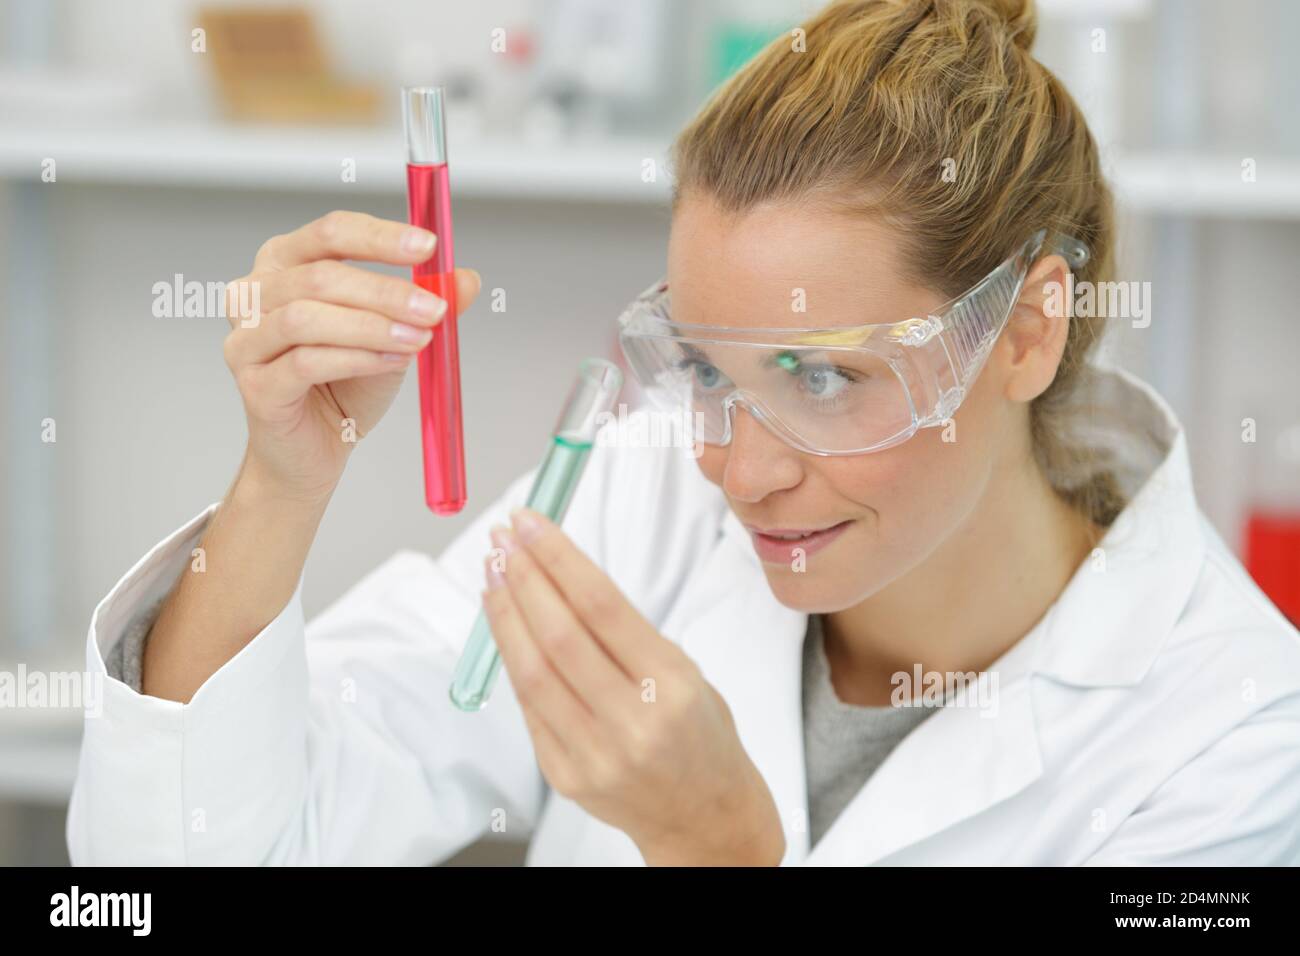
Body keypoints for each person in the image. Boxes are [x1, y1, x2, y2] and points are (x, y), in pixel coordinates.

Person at [68, 0, 1300, 865]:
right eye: (707, 369)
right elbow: (196, 856)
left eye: (821, 377)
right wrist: (281, 482)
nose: (740, 468)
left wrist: (718, 852)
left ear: (1026, 331)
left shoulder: (1231, 730)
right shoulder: (635, 497)